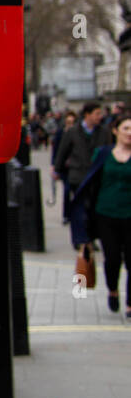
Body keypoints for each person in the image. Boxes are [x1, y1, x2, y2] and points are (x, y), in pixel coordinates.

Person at [74, 113, 131, 315]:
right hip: (106, 215)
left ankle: (130, 303)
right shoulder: (103, 154)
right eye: (126, 128)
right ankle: (113, 291)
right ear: (115, 131)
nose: (130, 133)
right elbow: (91, 183)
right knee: (113, 258)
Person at [55, 102, 111, 248]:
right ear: (87, 114)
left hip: (96, 176)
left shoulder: (104, 132)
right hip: (77, 175)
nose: (100, 116)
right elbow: (62, 152)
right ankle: (80, 238)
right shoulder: (73, 131)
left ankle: (90, 237)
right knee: (80, 208)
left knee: (92, 209)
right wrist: (57, 170)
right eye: (97, 113)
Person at [52, 111, 77, 221]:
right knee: (66, 191)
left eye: (72, 122)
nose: (70, 125)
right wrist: (54, 167)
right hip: (64, 167)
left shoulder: (78, 134)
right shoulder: (60, 133)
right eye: (68, 122)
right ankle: (66, 215)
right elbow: (56, 150)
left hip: (75, 167)